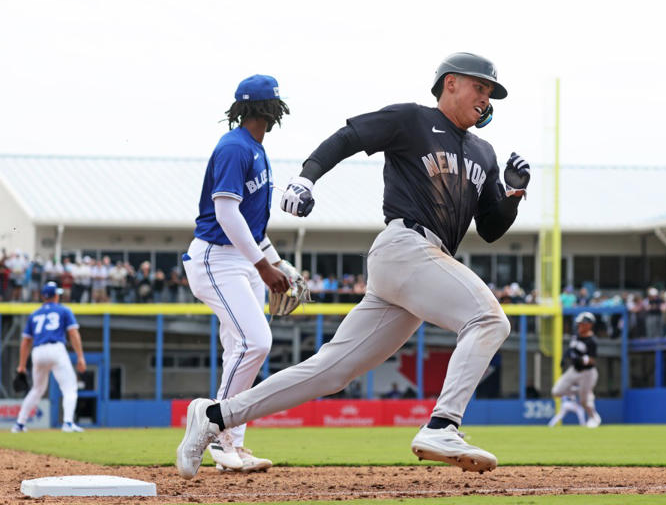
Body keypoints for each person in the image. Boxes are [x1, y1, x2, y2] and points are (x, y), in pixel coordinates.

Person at [176, 52, 529, 479]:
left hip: (420, 266)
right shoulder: (411, 120)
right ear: (450, 83)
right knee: (490, 320)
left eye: (490, 92)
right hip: (405, 245)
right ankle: (442, 425)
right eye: (481, 86)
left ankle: (215, 416)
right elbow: (350, 136)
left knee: (330, 371)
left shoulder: (483, 152)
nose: (486, 97)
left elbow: (491, 228)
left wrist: (511, 193)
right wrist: (307, 177)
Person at [180, 74, 292, 473]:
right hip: (216, 258)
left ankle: (232, 446)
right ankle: (216, 432)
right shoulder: (234, 147)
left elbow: (251, 225)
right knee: (256, 342)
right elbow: (226, 213)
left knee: (238, 349)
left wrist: (275, 262)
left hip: (241, 259)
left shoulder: (255, 149)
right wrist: (265, 268)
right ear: (270, 108)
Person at [11, 282, 86, 432]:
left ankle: (19, 424)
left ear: (43, 297)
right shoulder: (64, 310)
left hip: (38, 352)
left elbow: (26, 342)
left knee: (37, 390)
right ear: (56, 295)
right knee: (69, 387)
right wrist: (80, 356)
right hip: (56, 349)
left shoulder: (34, 314)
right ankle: (68, 423)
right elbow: (73, 334)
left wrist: (22, 365)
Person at [552, 312, 601, 428]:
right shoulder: (576, 336)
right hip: (574, 370)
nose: (580, 326)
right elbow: (570, 350)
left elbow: (592, 360)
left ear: (589, 325)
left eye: (582, 324)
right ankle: (580, 391)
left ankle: (594, 418)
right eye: (579, 324)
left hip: (587, 373)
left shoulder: (592, 341)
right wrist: (565, 357)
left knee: (584, 401)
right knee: (556, 392)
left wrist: (580, 359)